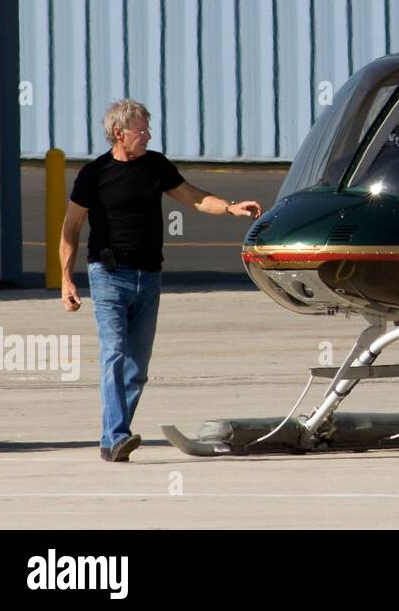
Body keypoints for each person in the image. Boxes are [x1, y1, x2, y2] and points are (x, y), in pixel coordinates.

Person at [59, 99, 263, 462]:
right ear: (119, 134)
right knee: (114, 355)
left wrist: (230, 207)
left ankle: (110, 441)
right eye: (141, 130)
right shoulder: (94, 174)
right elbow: (71, 227)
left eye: (148, 129)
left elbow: (194, 198)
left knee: (137, 368)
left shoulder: (155, 166)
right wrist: (65, 279)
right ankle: (118, 434)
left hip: (149, 277)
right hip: (108, 276)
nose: (148, 136)